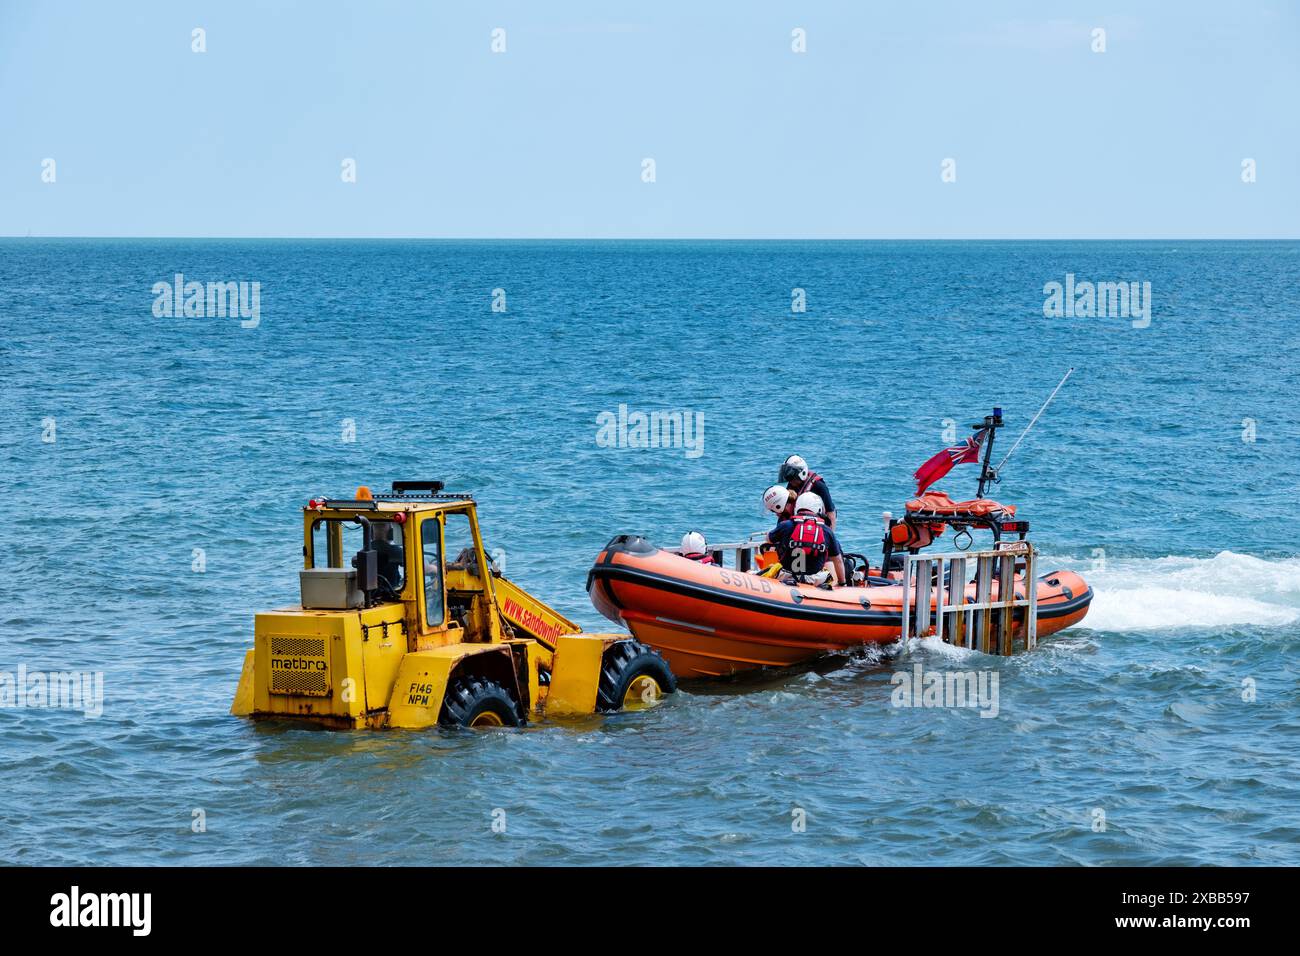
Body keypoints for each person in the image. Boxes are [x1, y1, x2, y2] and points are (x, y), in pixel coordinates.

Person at [767, 491, 845, 587]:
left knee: (766, 570)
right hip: (815, 579)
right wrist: (842, 583)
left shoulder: (785, 525)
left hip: (788, 577)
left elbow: (769, 539)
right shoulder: (827, 531)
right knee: (830, 575)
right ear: (818, 508)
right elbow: (838, 561)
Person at [777, 454, 836, 528]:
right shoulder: (792, 485)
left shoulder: (819, 486)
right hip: (797, 523)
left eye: (793, 478)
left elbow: (830, 512)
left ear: (802, 473)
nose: (791, 481)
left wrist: (830, 534)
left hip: (815, 525)